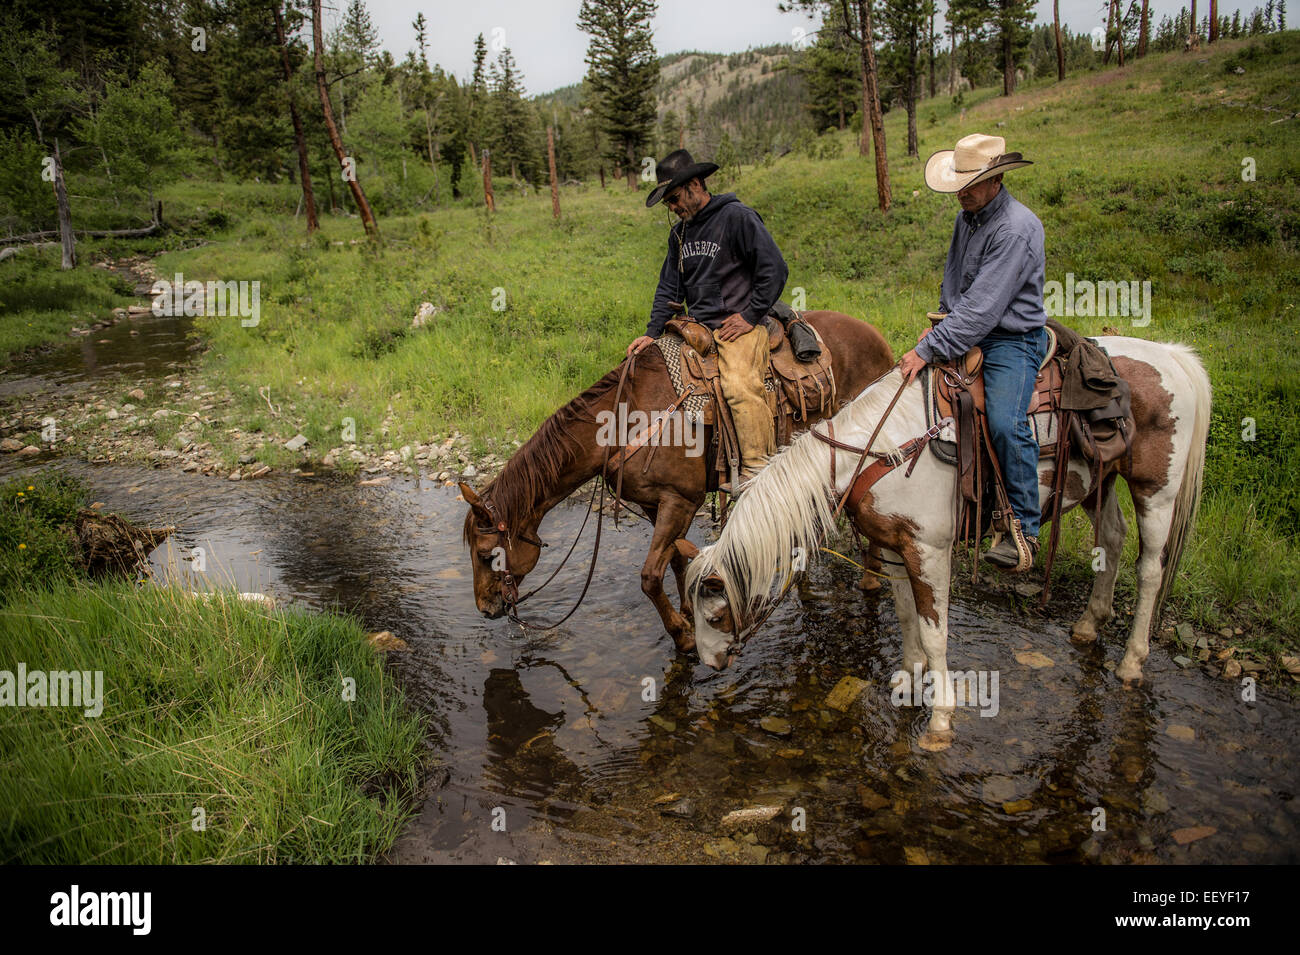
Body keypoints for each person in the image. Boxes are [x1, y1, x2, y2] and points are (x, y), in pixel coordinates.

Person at [898, 133, 1048, 571]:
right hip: (964, 331)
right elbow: (957, 285)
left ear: (996, 179)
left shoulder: (1017, 228)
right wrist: (943, 322)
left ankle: (1023, 527)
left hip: (1010, 340)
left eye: (971, 183)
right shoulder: (969, 217)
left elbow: (984, 309)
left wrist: (929, 348)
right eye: (958, 184)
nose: (961, 192)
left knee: (1004, 420)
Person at [627, 149, 789, 490]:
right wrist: (652, 333)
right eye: (667, 203)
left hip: (738, 326)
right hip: (697, 328)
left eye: (673, 199)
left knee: (740, 386)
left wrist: (749, 315)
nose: (672, 208)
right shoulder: (679, 235)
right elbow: (669, 288)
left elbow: (774, 269)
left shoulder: (738, 217)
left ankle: (759, 474)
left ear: (696, 184)